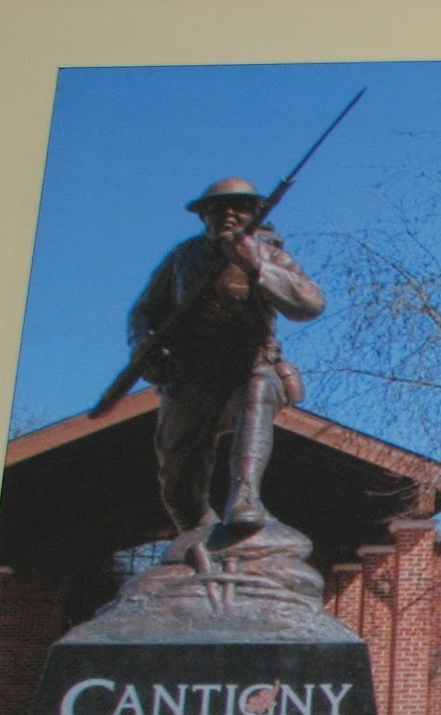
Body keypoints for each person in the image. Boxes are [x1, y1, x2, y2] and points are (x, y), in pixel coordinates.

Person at [127, 177, 325, 536]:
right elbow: (143, 311)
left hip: (248, 366)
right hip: (191, 375)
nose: (228, 215)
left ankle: (245, 497)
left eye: (239, 208)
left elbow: (309, 304)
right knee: (176, 482)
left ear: (254, 214)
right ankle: (197, 533)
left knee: (258, 391)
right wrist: (143, 346)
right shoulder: (182, 259)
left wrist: (258, 269)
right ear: (204, 216)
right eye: (217, 209)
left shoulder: (270, 256)